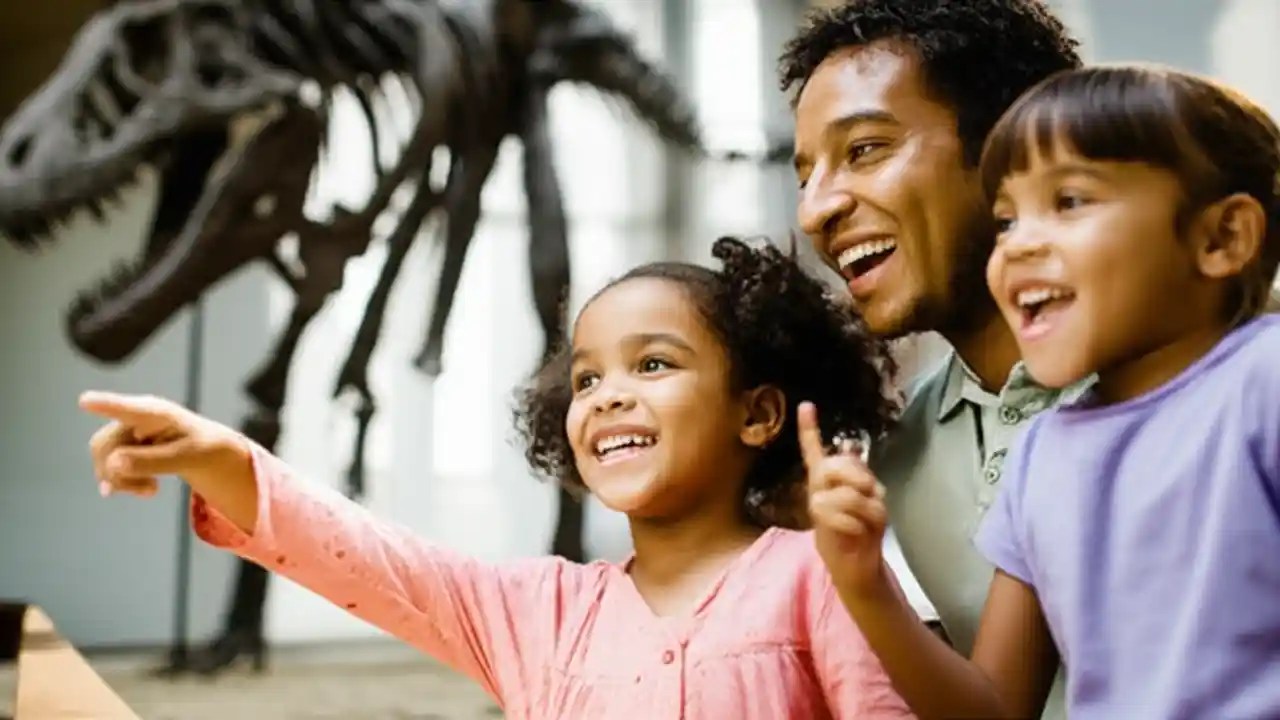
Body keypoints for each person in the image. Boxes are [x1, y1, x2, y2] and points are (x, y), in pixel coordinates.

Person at [81, 237, 915, 719]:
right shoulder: (536, 611)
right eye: (586, 380)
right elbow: (367, 559)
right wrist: (216, 455)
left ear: (758, 413)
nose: (609, 395)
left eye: (653, 363)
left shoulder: (818, 577)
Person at [805, 64, 1280, 719]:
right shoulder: (1043, 456)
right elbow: (995, 708)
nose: (1020, 245)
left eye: (1070, 202)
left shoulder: (1263, 382)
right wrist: (865, 585)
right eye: (1005, 221)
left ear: (1221, 237)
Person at [778, 2, 1084, 716]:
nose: (814, 210)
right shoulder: (894, 456)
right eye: (804, 176)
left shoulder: (1219, 363)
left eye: (864, 150)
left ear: (1014, 150)